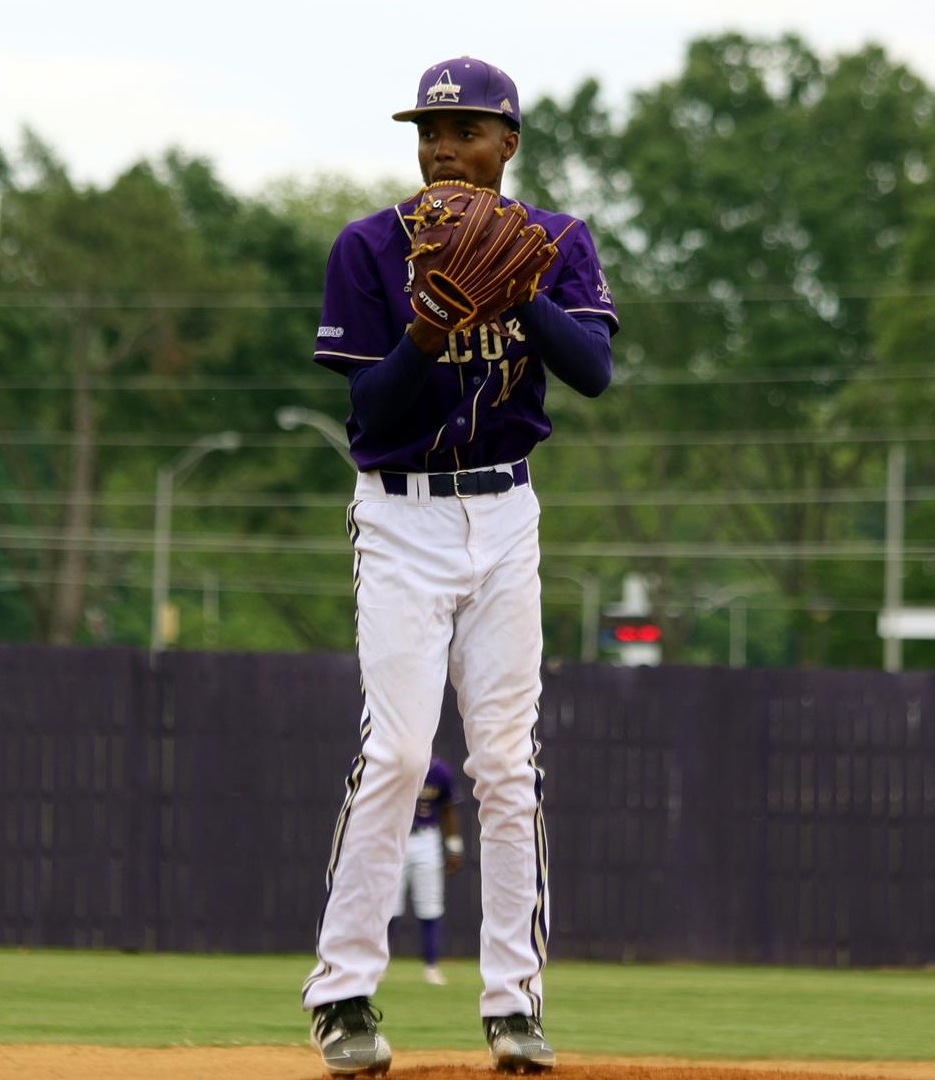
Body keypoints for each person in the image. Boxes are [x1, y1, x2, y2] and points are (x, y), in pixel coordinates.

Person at [300, 55, 618, 1078]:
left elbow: (593, 372)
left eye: (466, 131)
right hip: (401, 517)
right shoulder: (369, 247)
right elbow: (370, 413)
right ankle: (342, 994)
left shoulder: (554, 242)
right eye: (429, 133)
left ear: (507, 143)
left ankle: (512, 1006)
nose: (443, 149)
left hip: (506, 512)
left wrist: (520, 295)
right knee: (398, 756)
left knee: (506, 765)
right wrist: (432, 326)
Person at [392, 755, 464, 986]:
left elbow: (447, 808)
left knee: (430, 905)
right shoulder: (393, 764)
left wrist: (454, 846)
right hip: (395, 835)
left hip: (427, 837)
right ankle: (377, 965)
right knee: (388, 905)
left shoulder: (439, 770)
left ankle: (432, 966)